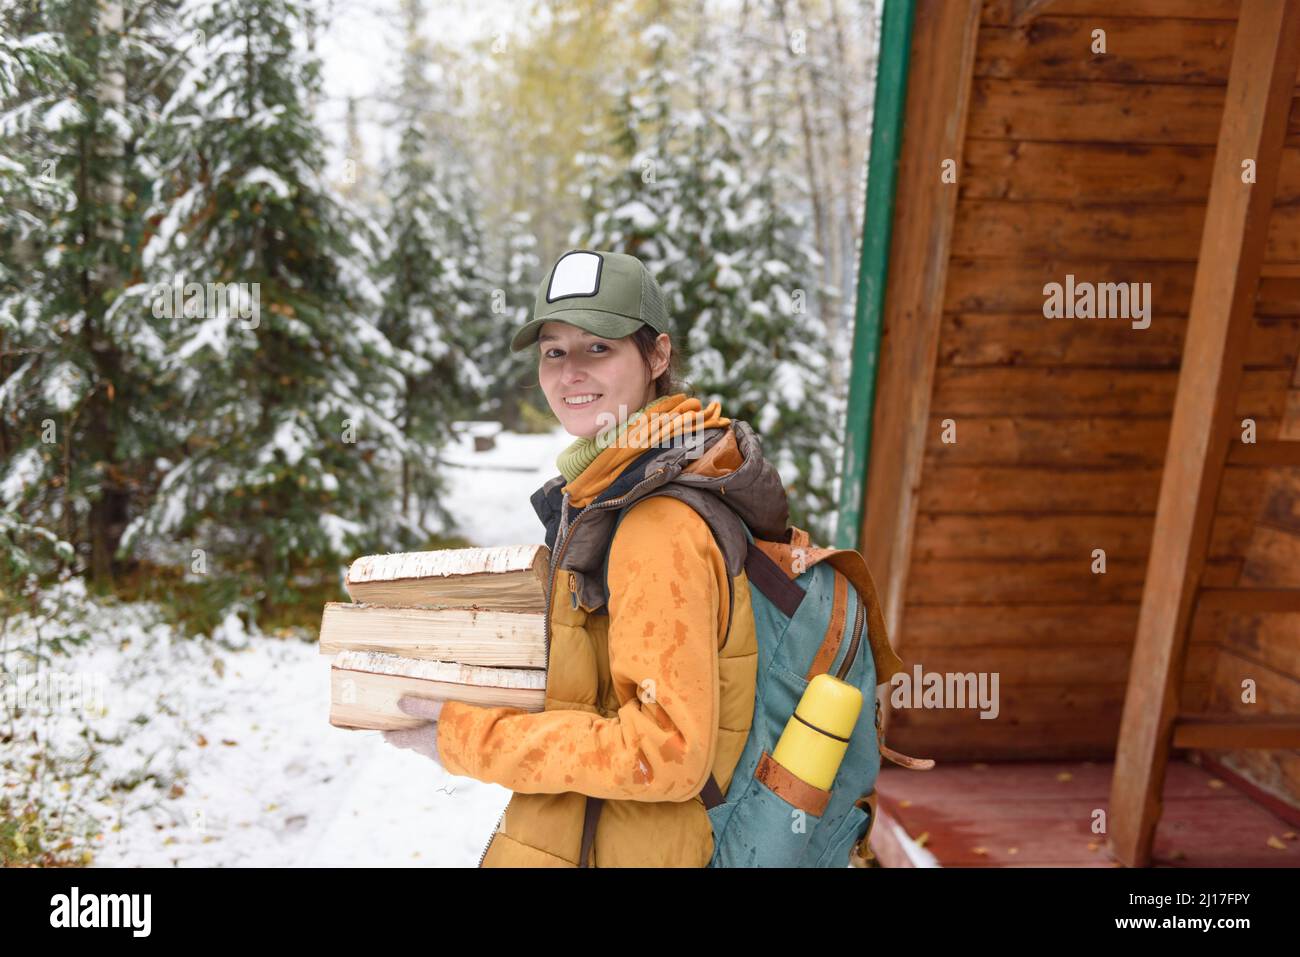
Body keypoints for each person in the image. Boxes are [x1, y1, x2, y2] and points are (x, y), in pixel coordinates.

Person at [383, 248, 792, 866]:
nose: (570, 371)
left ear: (657, 356)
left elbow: (664, 750)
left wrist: (467, 737)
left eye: (598, 346)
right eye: (553, 351)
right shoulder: (623, 487)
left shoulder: (657, 521)